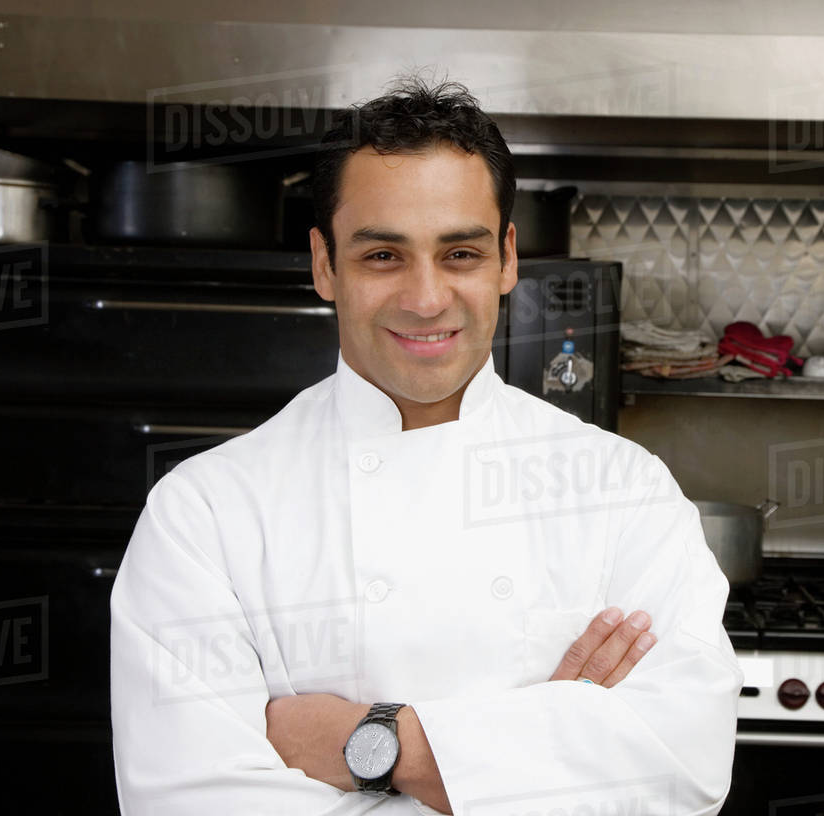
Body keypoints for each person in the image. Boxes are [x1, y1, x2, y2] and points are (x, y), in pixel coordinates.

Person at [110, 76, 742, 816]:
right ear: (324, 265)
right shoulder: (205, 514)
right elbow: (190, 801)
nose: (425, 298)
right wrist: (549, 744)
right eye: (383, 256)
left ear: (506, 259)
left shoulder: (623, 488)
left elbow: (681, 767)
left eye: (460, 254)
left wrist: (373, 744)